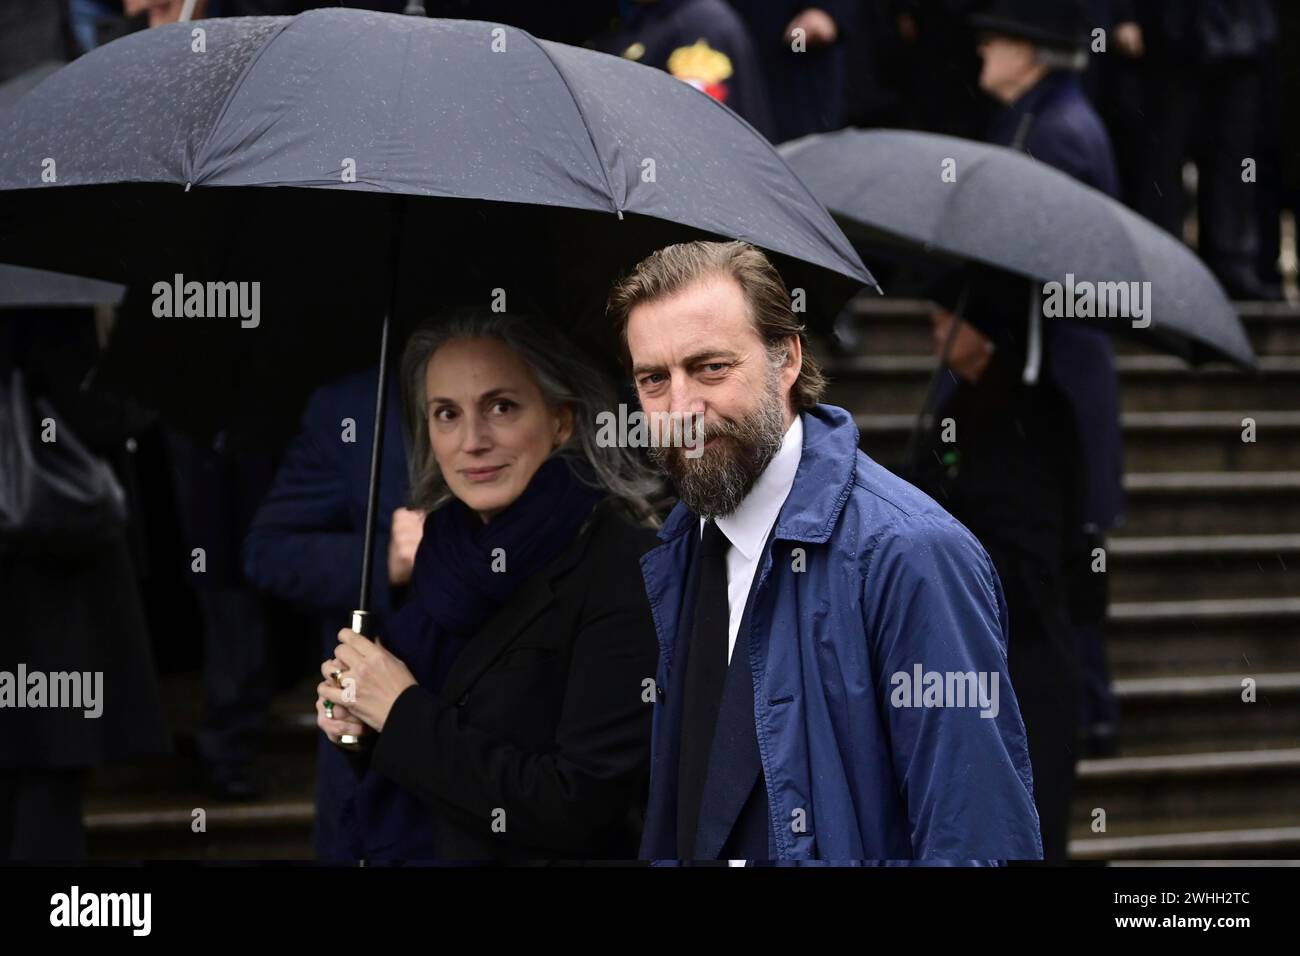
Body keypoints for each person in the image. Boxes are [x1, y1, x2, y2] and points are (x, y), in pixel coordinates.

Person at [607, 240, 1042, 863]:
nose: (680, 411)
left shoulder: (912, 553)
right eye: (654, 380)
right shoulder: (680, 547)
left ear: (787, 360)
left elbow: (976, 838)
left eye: (710, 369)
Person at [314, 306, 663, 861]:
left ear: (561, 419)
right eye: (445, 413)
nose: (471, 440)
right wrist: (363, 724)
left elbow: (578, 808)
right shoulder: (442, 554)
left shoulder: (624, 566)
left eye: (501, 407)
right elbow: (427, 762)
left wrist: (398, 712)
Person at [909, 269, 1087, 864]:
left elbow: (1029, 559)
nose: (936, 326)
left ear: (984, 332)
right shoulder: (962, 401)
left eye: (949, 316)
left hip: (1025, 673)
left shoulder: (1029, 415)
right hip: (974, 668)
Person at [242, 366, 409, 859]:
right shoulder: (356, 406)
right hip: (371, 752)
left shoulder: (556, 389)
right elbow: (268, 551)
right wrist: (386, 561)